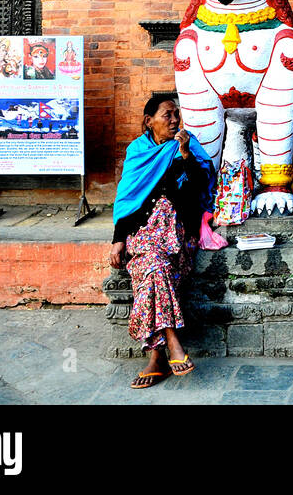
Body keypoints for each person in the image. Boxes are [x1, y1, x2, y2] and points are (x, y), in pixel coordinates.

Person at [110, 96, 217, 389]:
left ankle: (156, 359)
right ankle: (173, 343)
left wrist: (185, 156)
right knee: (154, 266)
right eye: (167, 115)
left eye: (176, 115)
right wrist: (118, 240)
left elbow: (199, 189)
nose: (174, 120)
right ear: (149, 121)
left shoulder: (185, 147)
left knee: (153, 271)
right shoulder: (137, 151)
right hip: (142, 233)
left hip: (175, 233)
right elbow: (127, 199)